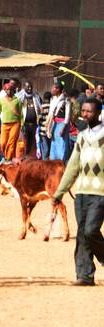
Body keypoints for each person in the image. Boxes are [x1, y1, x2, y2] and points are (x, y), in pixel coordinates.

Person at [54, 97, 104, 285]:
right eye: (83, 111)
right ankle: (84, 275)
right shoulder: (82, 137)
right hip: (81, 192)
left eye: (89, 111)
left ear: (98, 113)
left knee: (91, 231)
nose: (84, 114)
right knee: (82, 234)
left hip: (100, 193)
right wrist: (59, 192)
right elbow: (73, 166)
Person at [0, 79, 23, 162]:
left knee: (11, 142)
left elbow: (21, 113)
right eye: (7, 90)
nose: (9, 91)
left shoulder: (17, 100)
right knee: (2, 142)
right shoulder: (1, 100)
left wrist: (22, 124)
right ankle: (5, 155)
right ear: (5, 90)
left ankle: (8, 158)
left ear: (13, 90)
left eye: (10, 90)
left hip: (15, 124)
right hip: (5, 124)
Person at [43, 81, 73, 162]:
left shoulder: (66, 100)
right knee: (54, 142)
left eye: (53, 88)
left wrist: (63, 128)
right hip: (55, 123)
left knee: (62, 143)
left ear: (58, 89)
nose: (52, 89)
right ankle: (54, 161)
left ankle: (61, 161)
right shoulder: (53, 99)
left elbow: (67, 116)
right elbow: (51, 113)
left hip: (62, 124)